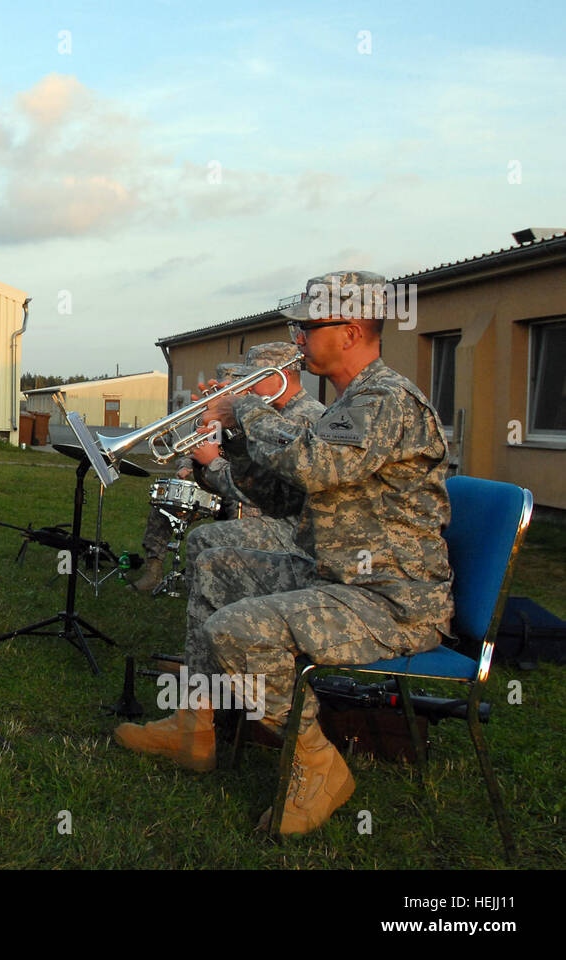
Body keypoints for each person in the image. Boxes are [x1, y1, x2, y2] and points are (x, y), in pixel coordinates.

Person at [115, 271, 453, 835]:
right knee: (215, 562)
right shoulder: (349, 404)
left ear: (349, 331)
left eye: (307, 327)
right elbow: (283, 496)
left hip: (392, 600)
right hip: (337, 578)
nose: (298, 338)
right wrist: (233, 441)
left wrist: (245, 410)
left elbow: (311, 465)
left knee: (239, 631)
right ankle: (195, 726)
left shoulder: (386, 399)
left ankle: (315, 763)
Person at [182, 341, 325, 568]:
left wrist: (213, 462)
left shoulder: (304, 418)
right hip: (275, 517)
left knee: (202, 539)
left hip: (297, 527)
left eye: (254, 378)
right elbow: (248, 476)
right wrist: (220, 428)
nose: (247, 387)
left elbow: (266, 491)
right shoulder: (269, 414)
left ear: (282, 376)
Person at [132, 361, 246, 592]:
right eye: (220, 388)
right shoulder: (208, 417)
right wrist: (185, 467)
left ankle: (232, 577)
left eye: (228, 389)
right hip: (209, 481)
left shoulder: (250, 418)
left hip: (238, 486)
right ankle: (153, 571)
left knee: (240, 511)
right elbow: (190, 448)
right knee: (163, 505)